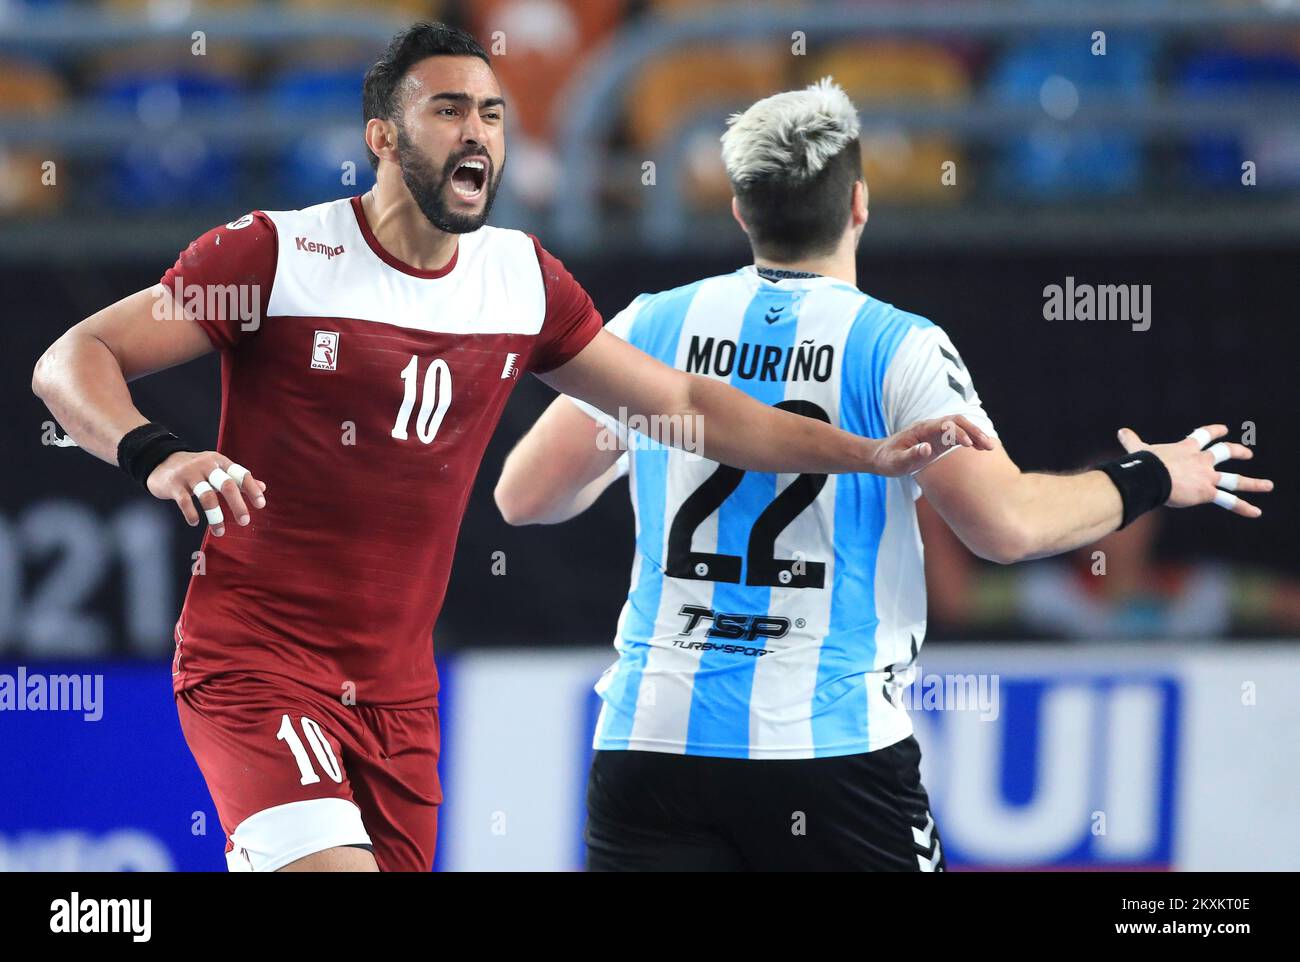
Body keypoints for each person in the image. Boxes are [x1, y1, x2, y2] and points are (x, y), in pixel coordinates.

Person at [29, 26, 981, 873]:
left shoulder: (521, 279)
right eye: (448, 111)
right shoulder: (277, 257)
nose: (478, 132)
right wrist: (158, 453)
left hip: (398, 695)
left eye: (491, 112)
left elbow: (685, 404)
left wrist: (865, 453)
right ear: (382, 137)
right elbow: (72, 358)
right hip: (257, 663)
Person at [493, 79, 1274, 871]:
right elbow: (1007, 526)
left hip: (651, 740)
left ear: (740, 212)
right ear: (859, 203)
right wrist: (1150, 476)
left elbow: (525, 496)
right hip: (828, 748)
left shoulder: (654, 324)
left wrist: (644, 439)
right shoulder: (896, 346)